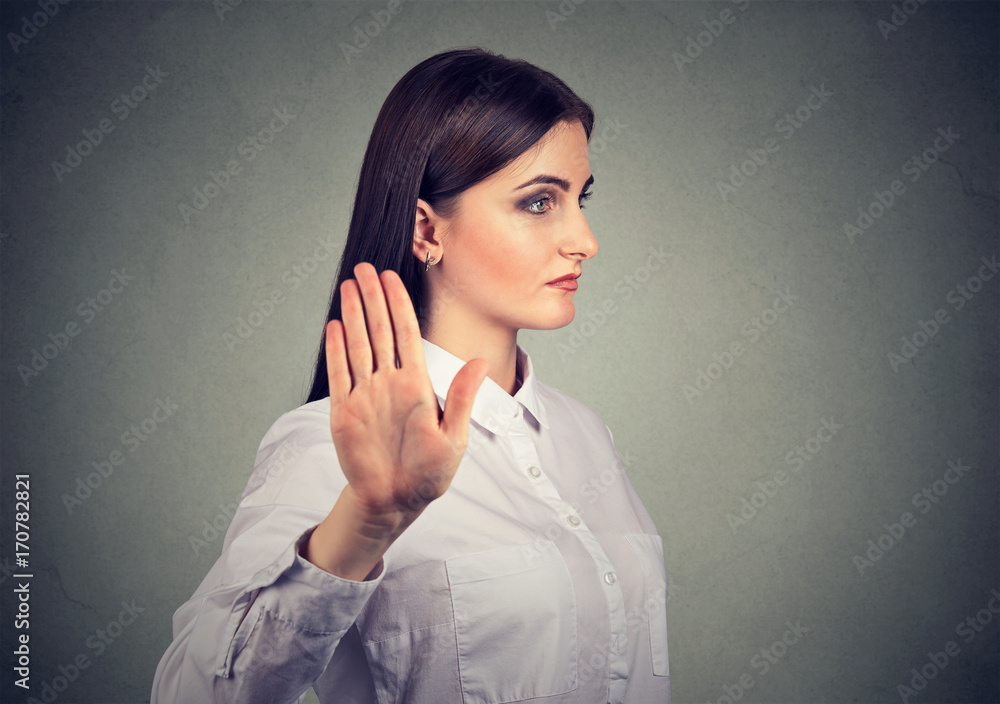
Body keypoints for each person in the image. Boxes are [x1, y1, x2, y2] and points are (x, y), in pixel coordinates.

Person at [151, 47, 670, 704]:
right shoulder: (328, 447)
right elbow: (194, 695)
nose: (585, 241)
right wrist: (368, 519)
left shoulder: (586, 434)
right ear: (426, 229)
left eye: (580, 198)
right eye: (540, 202)